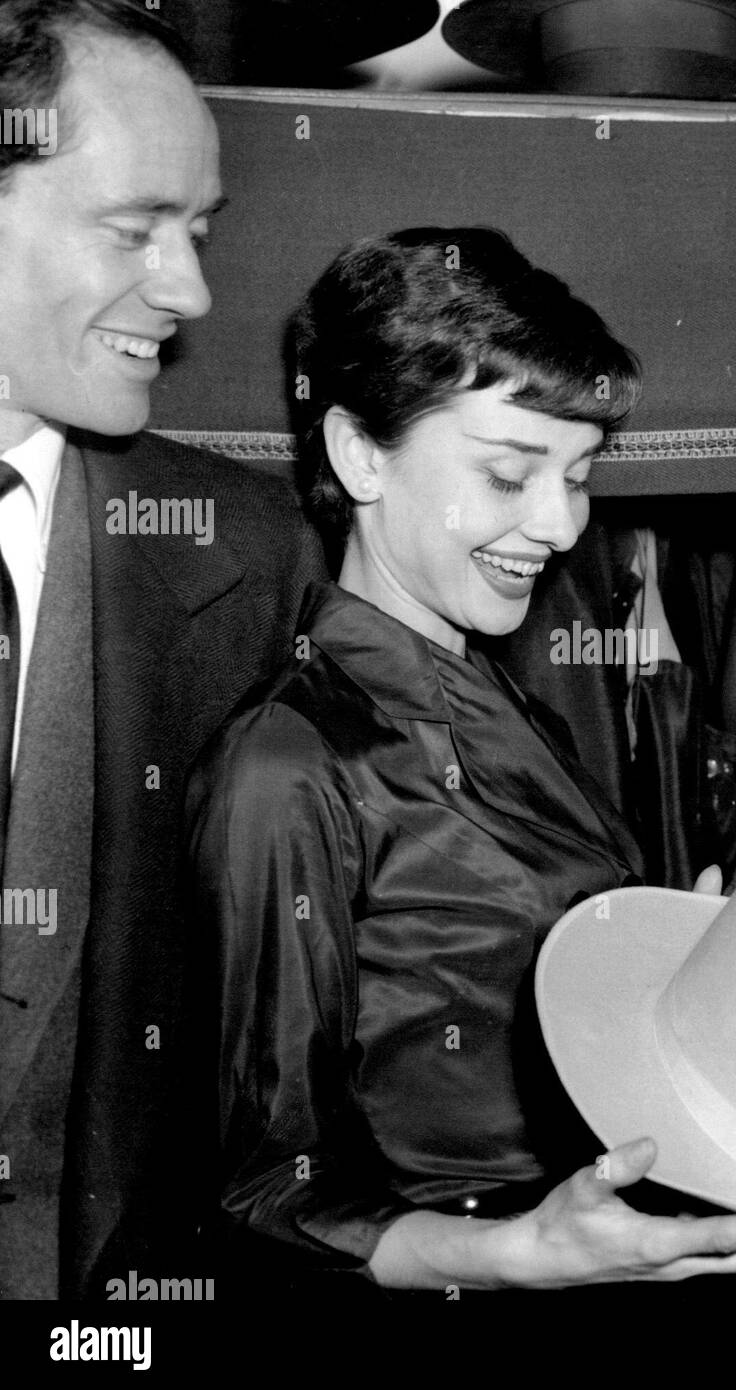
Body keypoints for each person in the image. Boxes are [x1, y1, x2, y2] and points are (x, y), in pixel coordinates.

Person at [186, 227, 736, 1294]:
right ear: (358, 454)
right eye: (508, 473)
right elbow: (271, 1189)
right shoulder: (287, 765)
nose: (558, 523)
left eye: (579, 475)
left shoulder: (509, 695)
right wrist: (515, 1254)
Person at [0, 0, 325, 1299]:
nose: (188, 293)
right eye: (135, 229)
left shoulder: (246, 555)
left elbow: (307, 1022)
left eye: (196, 231)